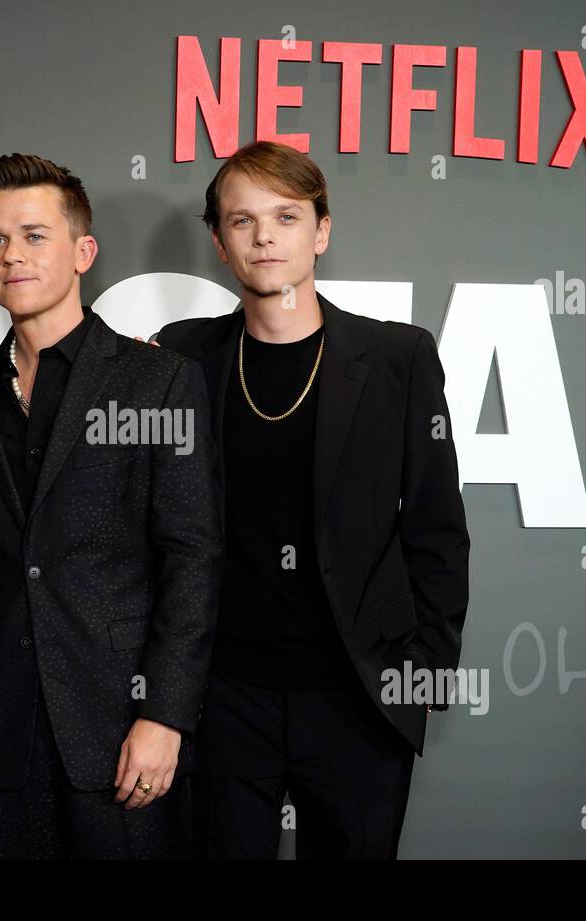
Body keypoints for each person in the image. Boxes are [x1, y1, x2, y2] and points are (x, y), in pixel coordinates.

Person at [154, 140, 470, 859]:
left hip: (357, 697)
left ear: (320, 232)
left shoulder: (398, 358)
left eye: (287, 216)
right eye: (243, 220)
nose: (265, 236)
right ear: (219, 242)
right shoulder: (182, 356)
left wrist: (421, 669)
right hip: (225, 697)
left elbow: (437, 531)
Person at [0, 153, 222, 858]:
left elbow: (194, 558)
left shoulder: (157, 381)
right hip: (7, 736)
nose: (13, 255)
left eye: (35, 235)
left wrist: (163, 715)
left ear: (82, 252)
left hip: (122, 731)